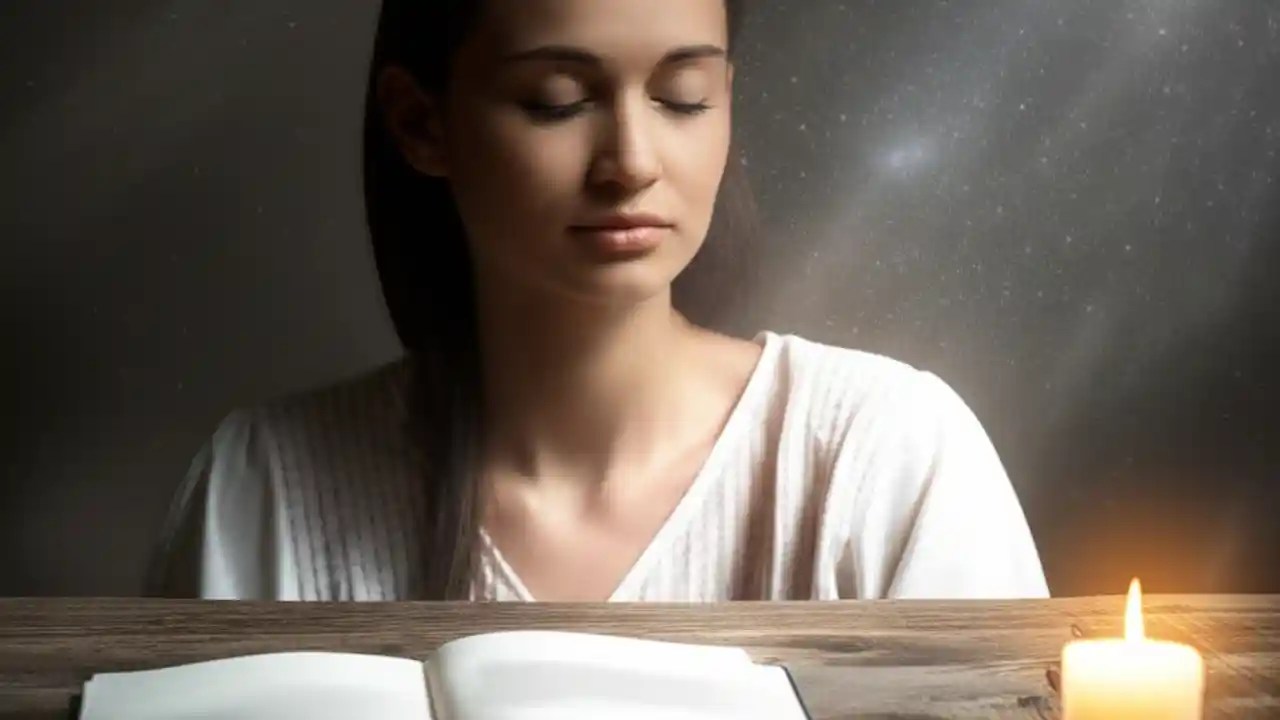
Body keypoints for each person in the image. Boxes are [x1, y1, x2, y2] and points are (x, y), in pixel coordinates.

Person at [147, 0, 1049, 602]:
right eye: (555, 100)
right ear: (422, 123)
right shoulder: (261, 489)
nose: (633, 160)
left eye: (681, 97)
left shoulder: (885, 459)